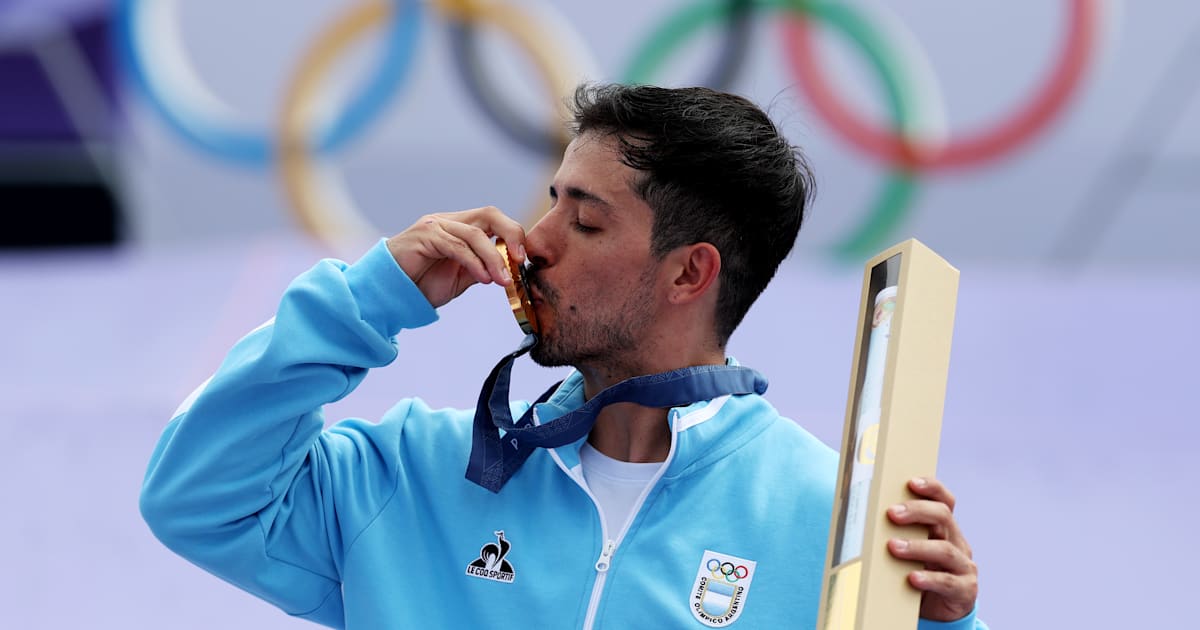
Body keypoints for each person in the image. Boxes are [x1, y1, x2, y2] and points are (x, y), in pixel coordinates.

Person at [140, 83, 983, 629]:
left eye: (584, 222)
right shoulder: (413, 477)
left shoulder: (831, 524)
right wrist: (368, 301)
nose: (533, 242)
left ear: (690, 272)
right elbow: (196, 498)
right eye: (551, 205)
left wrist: (948, 625)